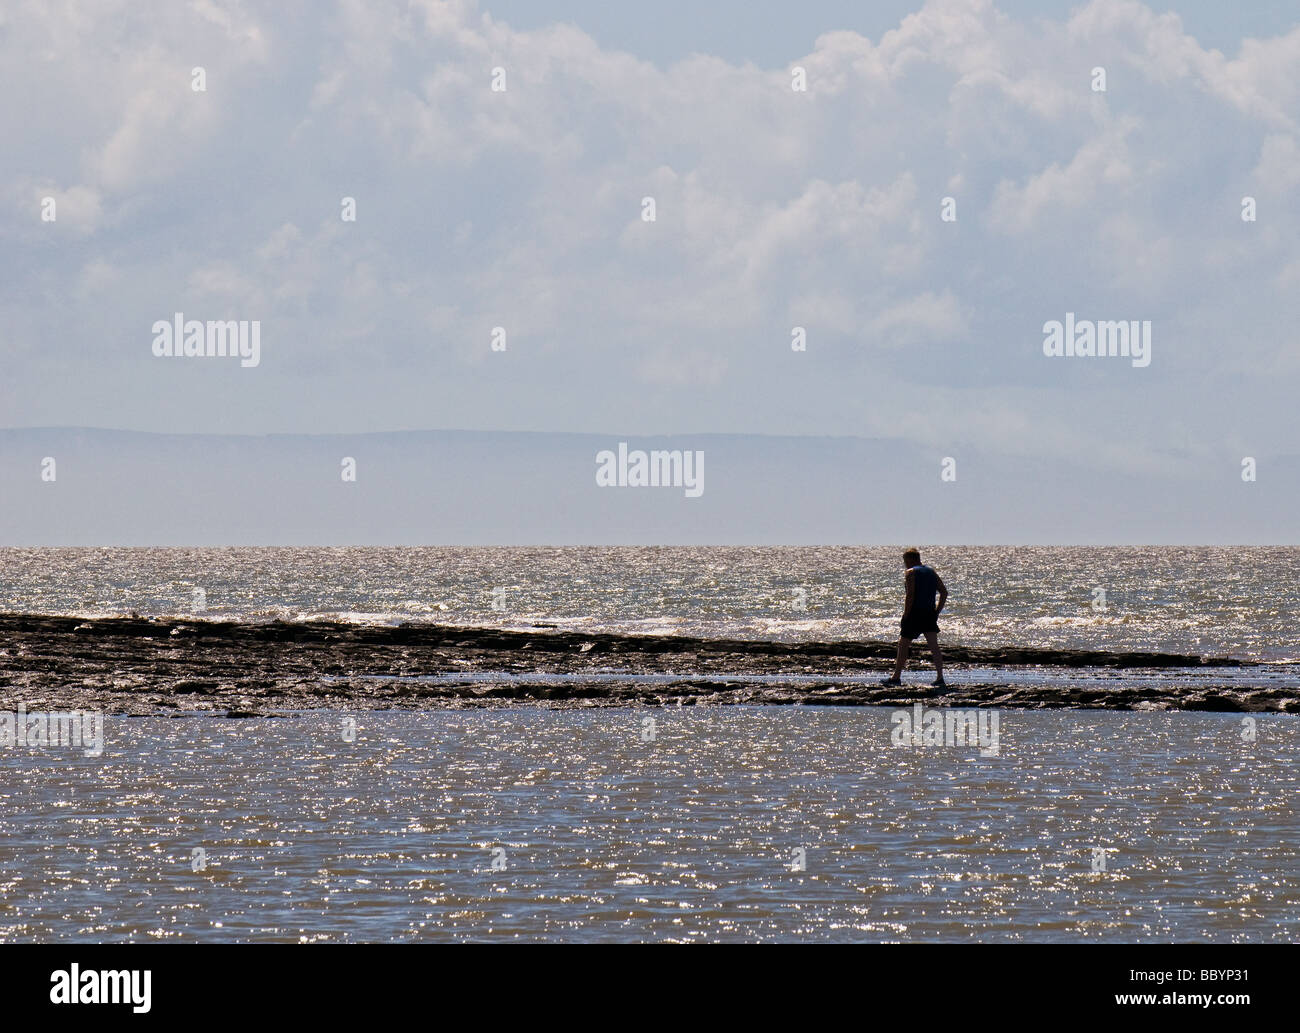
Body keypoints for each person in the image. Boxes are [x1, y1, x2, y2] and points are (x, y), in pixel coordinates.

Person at [880, 548, 947, 687]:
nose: (905, 564)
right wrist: (937, 612)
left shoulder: (911, 573)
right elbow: (944, 592)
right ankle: (940, 677)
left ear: (910, 559)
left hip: (914, 613)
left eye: (905, 561)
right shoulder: (931, 572)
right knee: (934, 646)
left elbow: (910, 595)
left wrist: (905, 615)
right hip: (929, 613)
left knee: (903, 644)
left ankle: (896, 677)